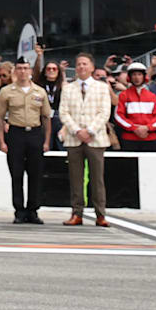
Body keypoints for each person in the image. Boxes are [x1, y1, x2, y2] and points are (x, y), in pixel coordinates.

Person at [58, 53, 113, 227]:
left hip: (95, 138)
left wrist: (90, 131)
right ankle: (77, 213)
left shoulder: (102, 87)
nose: (81, 67)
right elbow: (63, 112)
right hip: (74, 138)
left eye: (85, 64)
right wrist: (76, 130)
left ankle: (100, 214)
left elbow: (104, 112)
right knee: (76, 178)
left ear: (92, 67)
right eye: (79, 64)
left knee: (97, 179)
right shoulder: (68, 88)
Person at [0, 60, 52, 224]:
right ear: (15, 71)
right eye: (19, 68)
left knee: (35, 174)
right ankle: (19, 210)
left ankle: (33, 210)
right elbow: (0, 118)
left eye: (26, 68)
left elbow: (46, 117)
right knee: (16, 173)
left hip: (34, 133)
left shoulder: (40, 91)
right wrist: (1, 141)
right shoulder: (7, 91)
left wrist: (46, 141)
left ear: (30, 71)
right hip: (16, 133)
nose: (22, 71)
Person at [114, 62, 156, 153]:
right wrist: (134, 128)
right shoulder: (123, 95)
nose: (137, 77)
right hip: (129, 139)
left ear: (144, 76)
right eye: (134, 74)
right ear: (129, 77)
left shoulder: (152, 96)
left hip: (150, 138)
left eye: (139, 74)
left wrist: (148, 128)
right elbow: (118, 116)